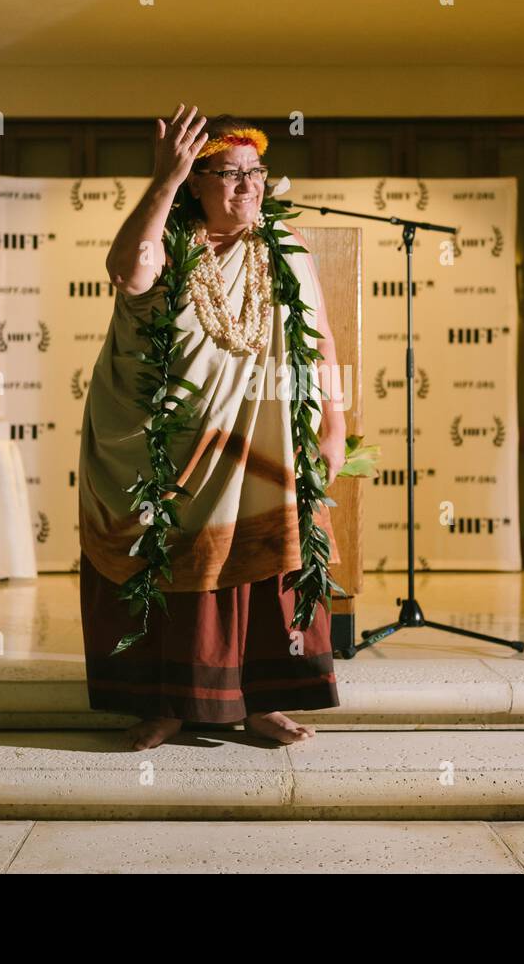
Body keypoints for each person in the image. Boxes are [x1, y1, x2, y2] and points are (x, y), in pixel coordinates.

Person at [77, 107, 346, 751]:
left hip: (265, 441)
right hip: (174, 449)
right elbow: (127, 272)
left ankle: (264, 704)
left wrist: (335, 421)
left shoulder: (287, 249)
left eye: (255, 173)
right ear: (194, 182)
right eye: (228, 174)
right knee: (172, 566)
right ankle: (164, 705)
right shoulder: (167, 243)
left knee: (270, 564)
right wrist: (161, 180)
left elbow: (323, 342)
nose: (247, 186)